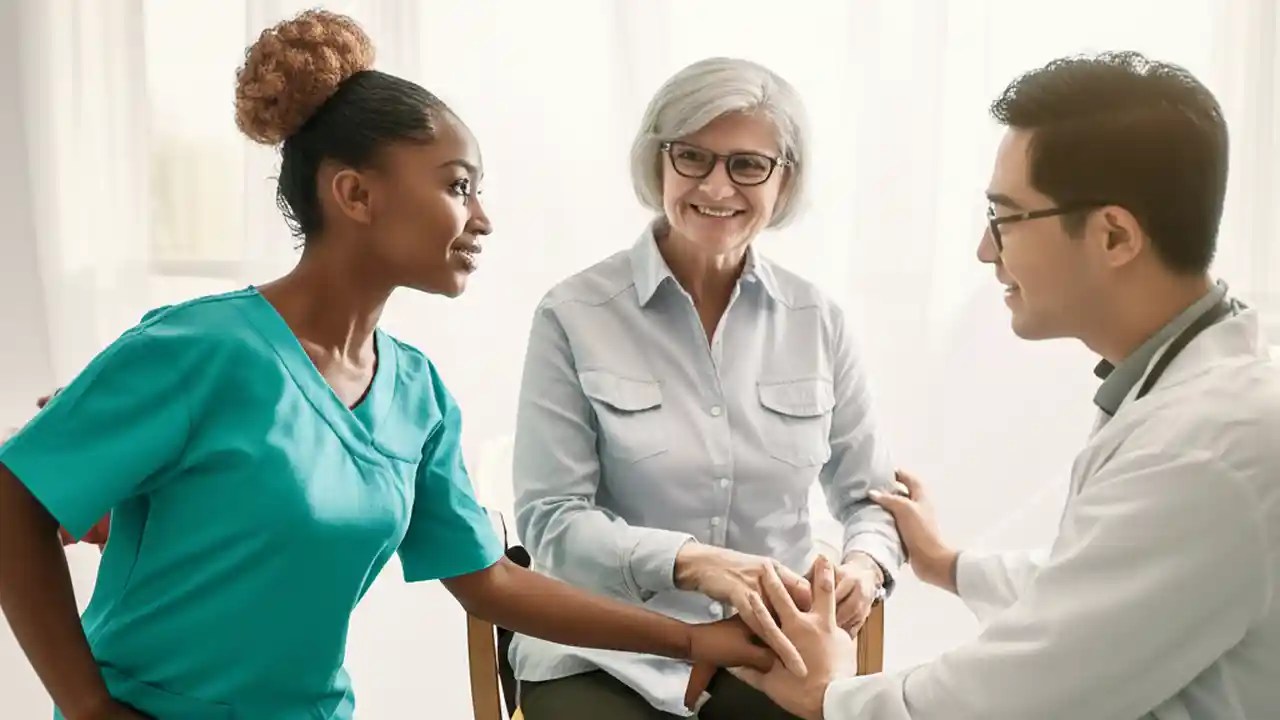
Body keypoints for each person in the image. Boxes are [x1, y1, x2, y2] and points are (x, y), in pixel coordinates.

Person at [0, 12, 800, 720]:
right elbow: (15, 498)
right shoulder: (199, 351)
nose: (481, 218)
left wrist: (690, 638)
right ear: (354, 193)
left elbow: (491, 584)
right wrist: (87, 706)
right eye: (458, 186)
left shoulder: (415, 394)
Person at [723, 51, 1280, 719]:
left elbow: (1030, 691)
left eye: (1005, 218)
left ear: (1114, 235)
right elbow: (1100, 586)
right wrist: (947, 564)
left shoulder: (1208, 448)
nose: (986, 251)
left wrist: (832, 697)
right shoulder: (1192, 393)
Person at [508, 57, 904, 720]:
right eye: (692, 157)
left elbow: (874, 500)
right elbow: (553, 521)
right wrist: (692, 563)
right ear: (656, 163)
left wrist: (864, 569)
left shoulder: (818, 322)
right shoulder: (572, 313)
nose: (717, 185)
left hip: (769, 649)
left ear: (785, 181)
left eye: (748, 165)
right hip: (603, 649)